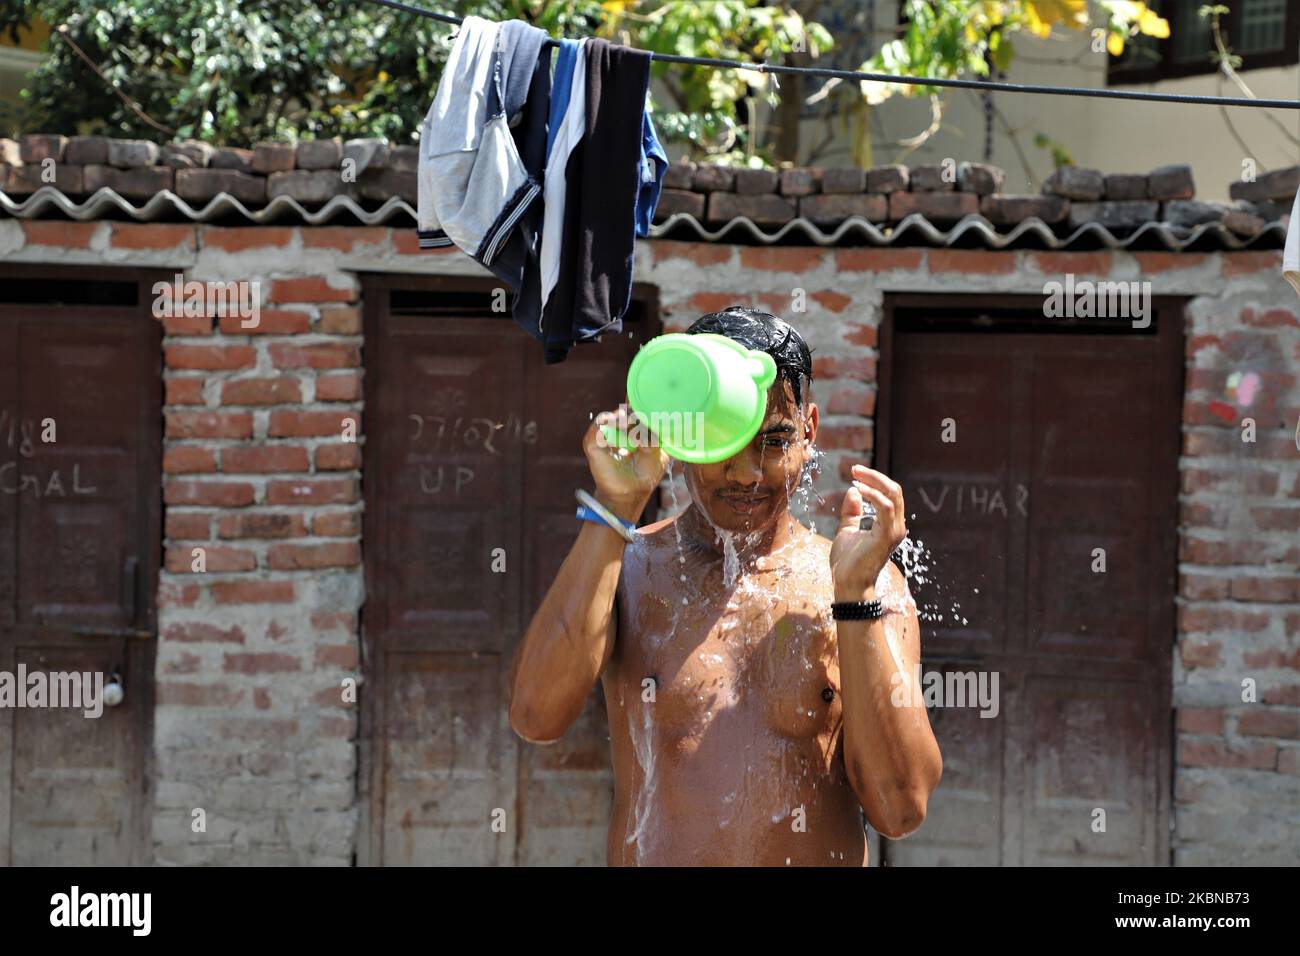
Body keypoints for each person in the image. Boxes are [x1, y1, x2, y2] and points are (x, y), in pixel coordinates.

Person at [508, 306, 942, 866]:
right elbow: (535, 718)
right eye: (722, 442)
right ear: (680, 433)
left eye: (774, 440)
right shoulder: (632, 566)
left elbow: (900, 808)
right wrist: (615, 509)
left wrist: (855, 600)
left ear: (809, 431)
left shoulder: (858, 579)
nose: (746, 473)